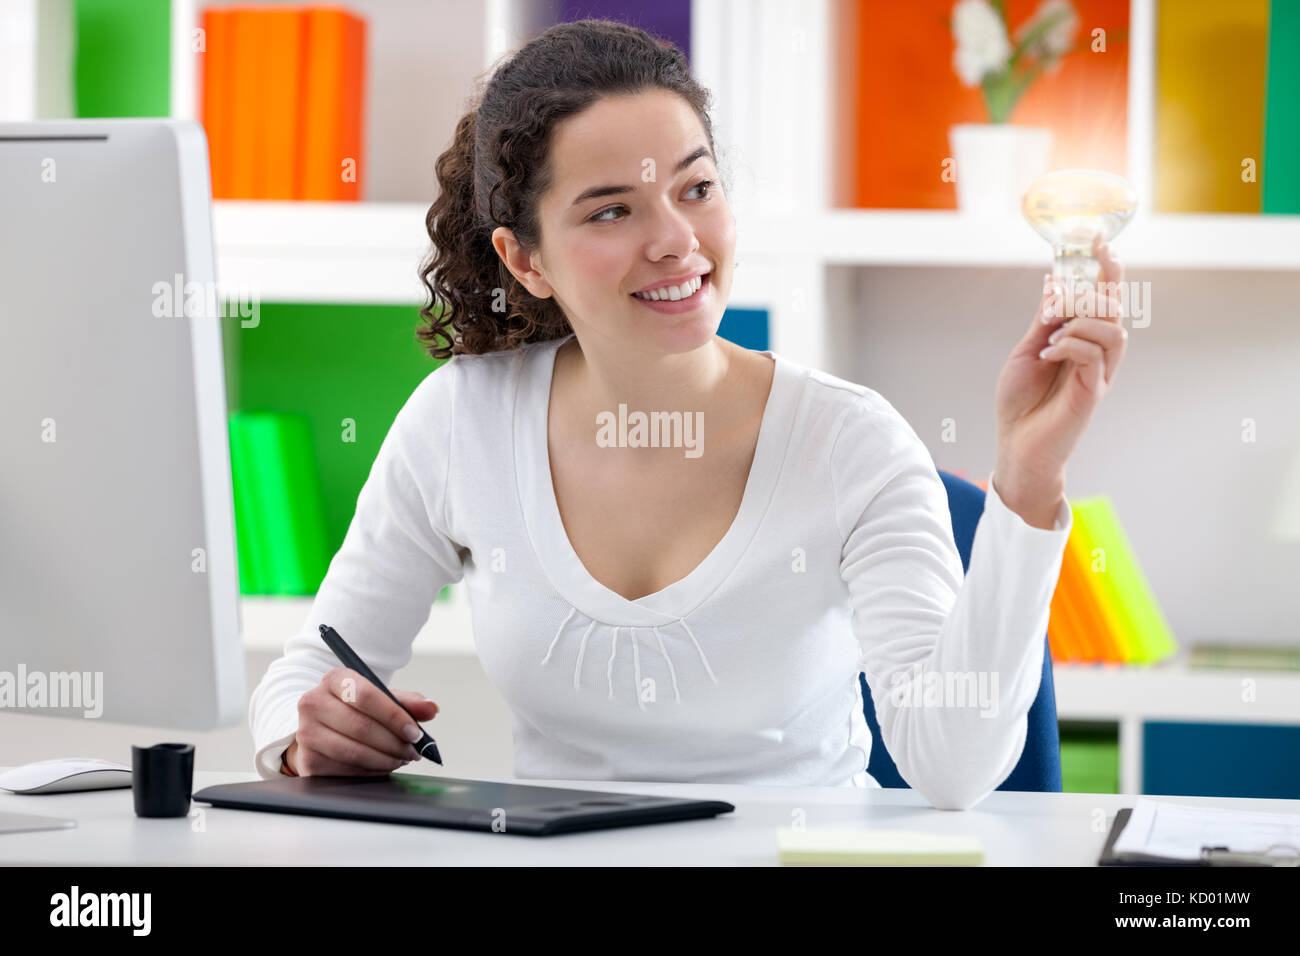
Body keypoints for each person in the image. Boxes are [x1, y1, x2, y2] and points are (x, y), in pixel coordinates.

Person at [249, 19, 1128, 810]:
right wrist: (303, 735)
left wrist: (1028, 477)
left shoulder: (848, 442)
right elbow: (315, 667)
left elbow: (952, 768)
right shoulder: (462, 421)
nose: (675, 238)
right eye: (612, 210)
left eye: (696, 188)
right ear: (526, 260)